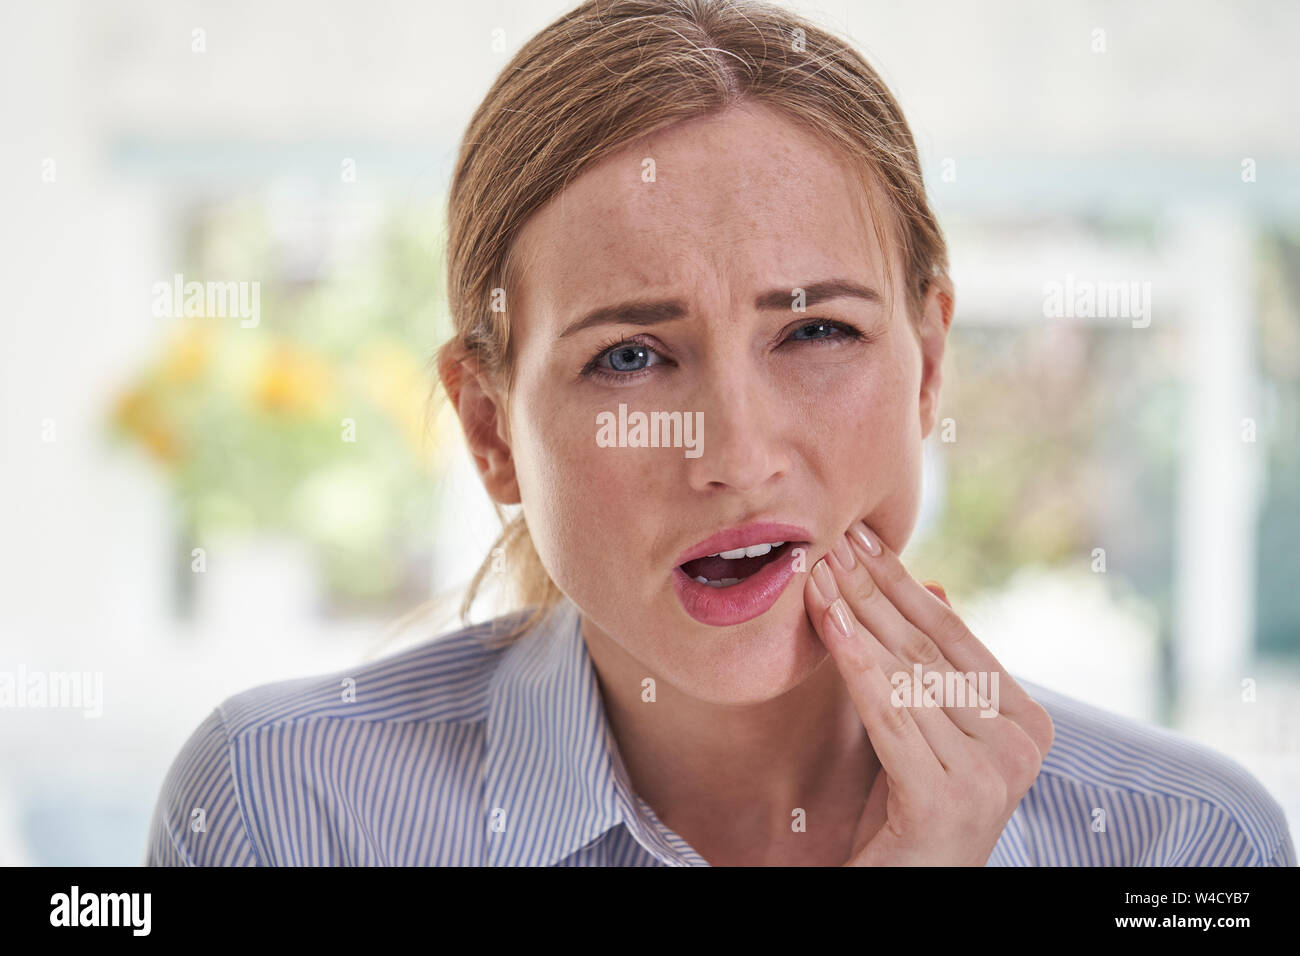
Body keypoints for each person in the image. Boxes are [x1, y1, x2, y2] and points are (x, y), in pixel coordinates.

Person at [146, 0, 1295, 866]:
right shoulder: (282, 808)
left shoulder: (1186, 846)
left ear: (929, 360)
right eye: (629, 357)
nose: (738, 454)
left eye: (816, 333)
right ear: (490, 429)